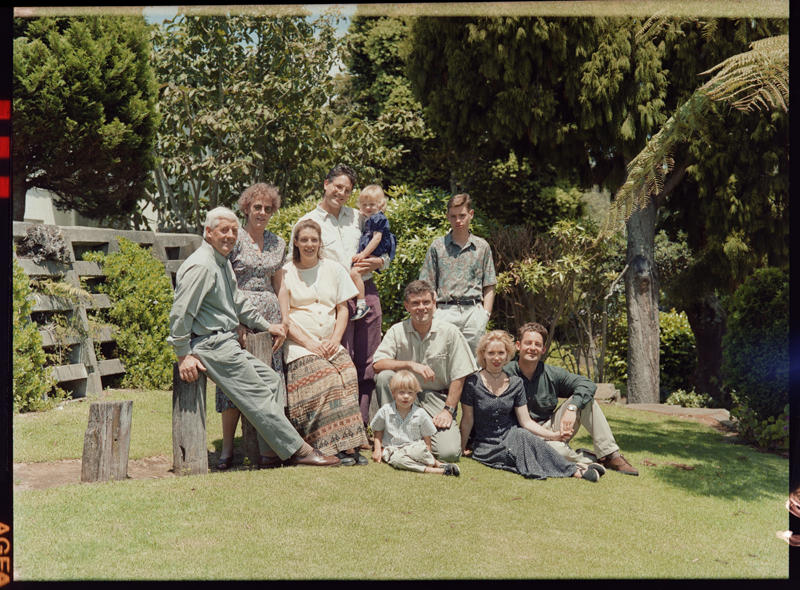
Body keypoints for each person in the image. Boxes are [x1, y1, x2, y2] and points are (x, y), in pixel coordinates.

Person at [168, 206, 339, 468]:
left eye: (233, 230)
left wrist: (267, 325)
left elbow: (238, 302)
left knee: (271, 381)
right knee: (258, 392)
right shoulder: (201, 265)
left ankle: (269, 454)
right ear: (208, 232)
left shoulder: (220, 261)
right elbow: (180, 313)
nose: (230, 235)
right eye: (223, 230)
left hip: (224, 341)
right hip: (210, 344)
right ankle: (300, 450)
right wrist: (183, 356)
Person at [293, 164, 391, 432]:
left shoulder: (360, 218)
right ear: (326, 184)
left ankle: (362, 423)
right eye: (338, 187)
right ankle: (340, 426)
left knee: (368, 359)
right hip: (334, 299)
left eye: (347, 190)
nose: (341, 193)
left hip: (366, 292)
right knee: (341, 358)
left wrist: (380, 262)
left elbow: (385, 245)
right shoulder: (307, 222)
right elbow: (298, 263)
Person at [460, 330, 604, 482]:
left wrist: (554, 436)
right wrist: (461, 448)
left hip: (513, 436)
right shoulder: (473, 382)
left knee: (523, 436)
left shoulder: (516, 383)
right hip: (486, 445)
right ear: (483, 354)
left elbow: (526, 421)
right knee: (520, 450)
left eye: (501, 353)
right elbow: (467, 419)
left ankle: (577, 468)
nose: (496, 358)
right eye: (491, 353)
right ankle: (576, 469)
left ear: (507, 354)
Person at [282, 218, 369, 466]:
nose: (309, 244)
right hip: (300, 346)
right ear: (296, 243)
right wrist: (309, 344)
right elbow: (284, 317)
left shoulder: (333, 268)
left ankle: (349, 445)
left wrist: (335, 339)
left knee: (348, 373)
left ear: (320, 243)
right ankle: (327, 445)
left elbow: (343, 309)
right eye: (304, 240)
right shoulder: (285, 272)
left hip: (330, 343)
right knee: (327, 378)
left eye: (314, 240)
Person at [215, 183, 289, 470]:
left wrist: (284, 321)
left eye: (267, 209)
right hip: (239, 317)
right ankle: (227, 449)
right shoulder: (234, 239)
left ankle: (269, 447)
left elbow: (280, 285)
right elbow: (226, 284)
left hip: (270, 320)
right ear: (246, 208)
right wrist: (236, 325)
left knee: (270, 380)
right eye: (257, 207)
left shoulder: (277, 243)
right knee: (234, 381)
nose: (262, 213)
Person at [503, 322, 639, 475]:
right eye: (528, 343)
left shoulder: (552, 374)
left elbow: (587, 384)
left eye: (537, 344)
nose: (532, 348)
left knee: (585, 401)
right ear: (518, 346)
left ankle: (610, 454)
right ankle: (589, 459)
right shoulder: (506, 373)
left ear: (543, 349)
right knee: (556, 451)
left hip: (550, 428)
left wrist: (572, 408)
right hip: (522, 436)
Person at [372, 279, 478, 462]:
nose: (421, 307)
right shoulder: (397, 331)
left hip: (436, 399)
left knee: (449, 453)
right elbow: (377, 364)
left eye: (426, 302)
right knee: (385, 377)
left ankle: (415, 439)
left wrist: (448, 410)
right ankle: (392, 437)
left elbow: (460, 375)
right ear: (407, 306)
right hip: (404, 396)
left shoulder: (450, 332)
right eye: (415, 303)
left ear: (434, 304)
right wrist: (410, 365)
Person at [418, 193, 496, 355]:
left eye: (462, 215)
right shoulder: (437, 247)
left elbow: (489, 284)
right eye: (453, 216)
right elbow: (426, 284)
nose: (458, 220)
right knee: (441, 360)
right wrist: (434, 313)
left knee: (474, 363)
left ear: (471, 214)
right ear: (447, 216)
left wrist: (485, 314)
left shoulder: (482, 247)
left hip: (474, 313)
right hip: (445, 311)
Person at [370, 370, 460, 476]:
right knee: (398, 460)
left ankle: (437, 464)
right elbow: (378, 431)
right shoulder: (385, 411)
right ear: (393, 393)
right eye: (401, 392)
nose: (406, 396)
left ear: (415, 394)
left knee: (421, 452)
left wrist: (428, 454)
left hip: (414, 448)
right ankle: (437, 471)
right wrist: (377, 449)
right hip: (393, 449)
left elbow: (427, 437)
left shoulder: (420, 413)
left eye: (410, 393)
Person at [349, 184, 396, 321]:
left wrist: (363, 254)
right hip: (371, 253)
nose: (368, 208)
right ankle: (361, 303)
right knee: (356, 273)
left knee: (355, 273)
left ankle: (361, 304)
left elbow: (377, 238)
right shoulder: (370, 218)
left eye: (372, 204)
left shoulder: (378, 218)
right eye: (364, 205)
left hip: (374, 253)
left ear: (380, 205)